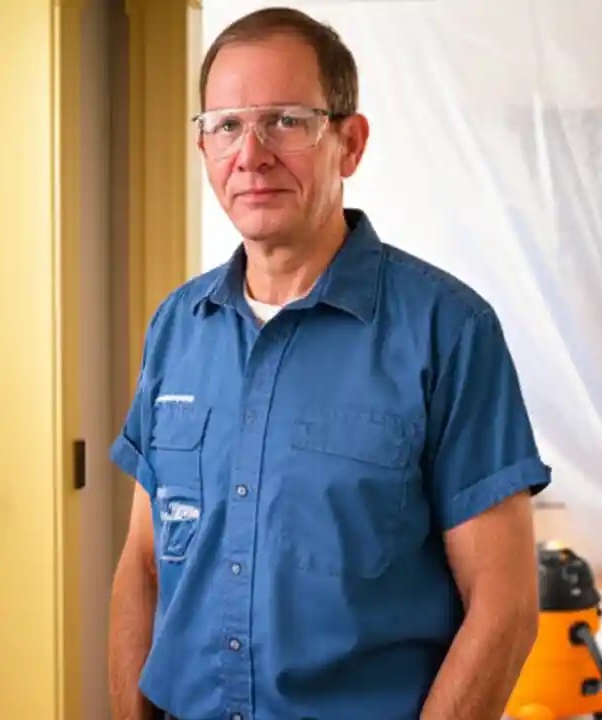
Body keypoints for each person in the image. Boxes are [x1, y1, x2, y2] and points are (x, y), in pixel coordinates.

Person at [108, 7, 551, 720]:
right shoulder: (176, 329)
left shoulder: (449, 331)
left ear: (350, 142)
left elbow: (503, 611)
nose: (249, 154)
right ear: (203, 150)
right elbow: (142, 566)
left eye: (285, 119)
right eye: (224, 125)